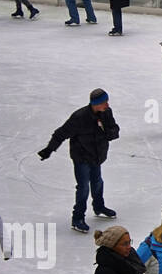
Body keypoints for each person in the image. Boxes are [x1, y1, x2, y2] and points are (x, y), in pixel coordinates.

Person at [39, 89, 120, 232]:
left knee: (97, 182)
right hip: (82, 158)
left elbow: (114, 129)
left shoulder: (107, 112)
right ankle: (77, 218)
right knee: (83, 187)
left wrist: (109, 132)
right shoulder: (79, 118)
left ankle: (99, 207)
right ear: (95, 104)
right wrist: (49, 150)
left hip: (97, 156)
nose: (107, 104)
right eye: (104, 102)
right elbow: (60, 134)